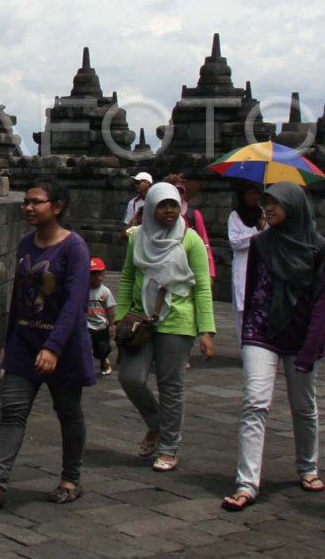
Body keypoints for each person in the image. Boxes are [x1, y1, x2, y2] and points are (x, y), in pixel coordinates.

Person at [0, 178, 94, 507]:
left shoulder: (74, 247)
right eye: (26, 202)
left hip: (62, 346)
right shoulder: (25, 244)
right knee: (13, 411)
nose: (28, 207)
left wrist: (53, 347)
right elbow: (19, 300)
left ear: (57, 207)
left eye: (36, 202)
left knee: (68, 412)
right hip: (25, 341)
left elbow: (74, 303)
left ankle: (70, 478)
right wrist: (11, 346)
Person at [222, 182, 325, 512]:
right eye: (265, 203)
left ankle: (308, 466)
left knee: (303, 404)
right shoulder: (261, 244)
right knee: (255, 402)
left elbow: (320, 303)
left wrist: (311, 348)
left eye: (274, 203)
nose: (266, 209)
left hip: (300, 334)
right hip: (262, 331)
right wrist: (248, 335)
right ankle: (246, 482)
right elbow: (254, 286)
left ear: (294, 207)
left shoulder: (319, 248)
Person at [115, 182, 215, 472]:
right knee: (130, 377)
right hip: (141, 317)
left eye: (173, 204)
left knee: (171, 386)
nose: (169, 210)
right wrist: (120, 315)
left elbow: (202, 287)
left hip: (179, 318)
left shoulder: (190, 239)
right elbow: (126, 277)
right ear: (150, 208)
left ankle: (170, 447)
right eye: (163, 205)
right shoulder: (137, 238)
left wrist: (206, 330)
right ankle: (157, 424)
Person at [228, 181, 266, 340]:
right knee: (242, 310)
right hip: (242, 267)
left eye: (255, 193)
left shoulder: (263, 215)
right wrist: (256, 233)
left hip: (261, 266)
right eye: (249, 194)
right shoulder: (235, 216)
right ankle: (244, 344)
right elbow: (235, 242)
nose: (253, 197)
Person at [165, 173, 218, 281]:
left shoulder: (193, 215)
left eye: (181, 192)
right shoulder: (162, 215)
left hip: (191, 265)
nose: (178, 195)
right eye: (175, 191)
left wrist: (210, 272)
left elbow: (204, 243)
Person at [87, 257, 117, 375]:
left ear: (103, 275)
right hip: (87, 325)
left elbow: (110, 309)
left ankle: (104, 360)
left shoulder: (105, 292)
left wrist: (111, 325)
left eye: (99, 274)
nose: (97, 277)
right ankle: (86, 366)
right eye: (93, 274)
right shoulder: (84, 290)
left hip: (101, 326)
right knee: (85, 346)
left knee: (102, 350)